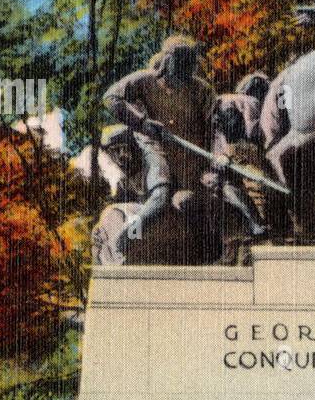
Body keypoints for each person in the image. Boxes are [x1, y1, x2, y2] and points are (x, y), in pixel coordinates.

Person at [103, 36, 266, 259]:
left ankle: (253, 227)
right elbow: (111, 98)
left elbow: (214, 127)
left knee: (214, 190)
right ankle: (126, 237)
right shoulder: (145, 81)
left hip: (191, 157)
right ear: (168, 60)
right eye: (181, 63)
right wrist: (142, 123)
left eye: (190, 64)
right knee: (161, 195)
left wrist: (220, 155)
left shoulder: (201, 90)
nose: (186, 70)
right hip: (156, 148)